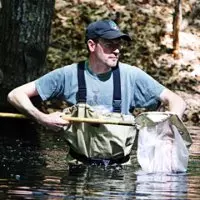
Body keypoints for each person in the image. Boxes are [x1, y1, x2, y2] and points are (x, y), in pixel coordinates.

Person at [7, 19, 186, 165]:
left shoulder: (132, 76)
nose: (116, 50)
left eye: (119, 44)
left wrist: (170, 126)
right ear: (92, 45)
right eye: (109, 44)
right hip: (78, 169)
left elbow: (176, 100)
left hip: (119, 173)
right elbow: (15, 95)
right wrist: (43, 118)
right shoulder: (68, 74)